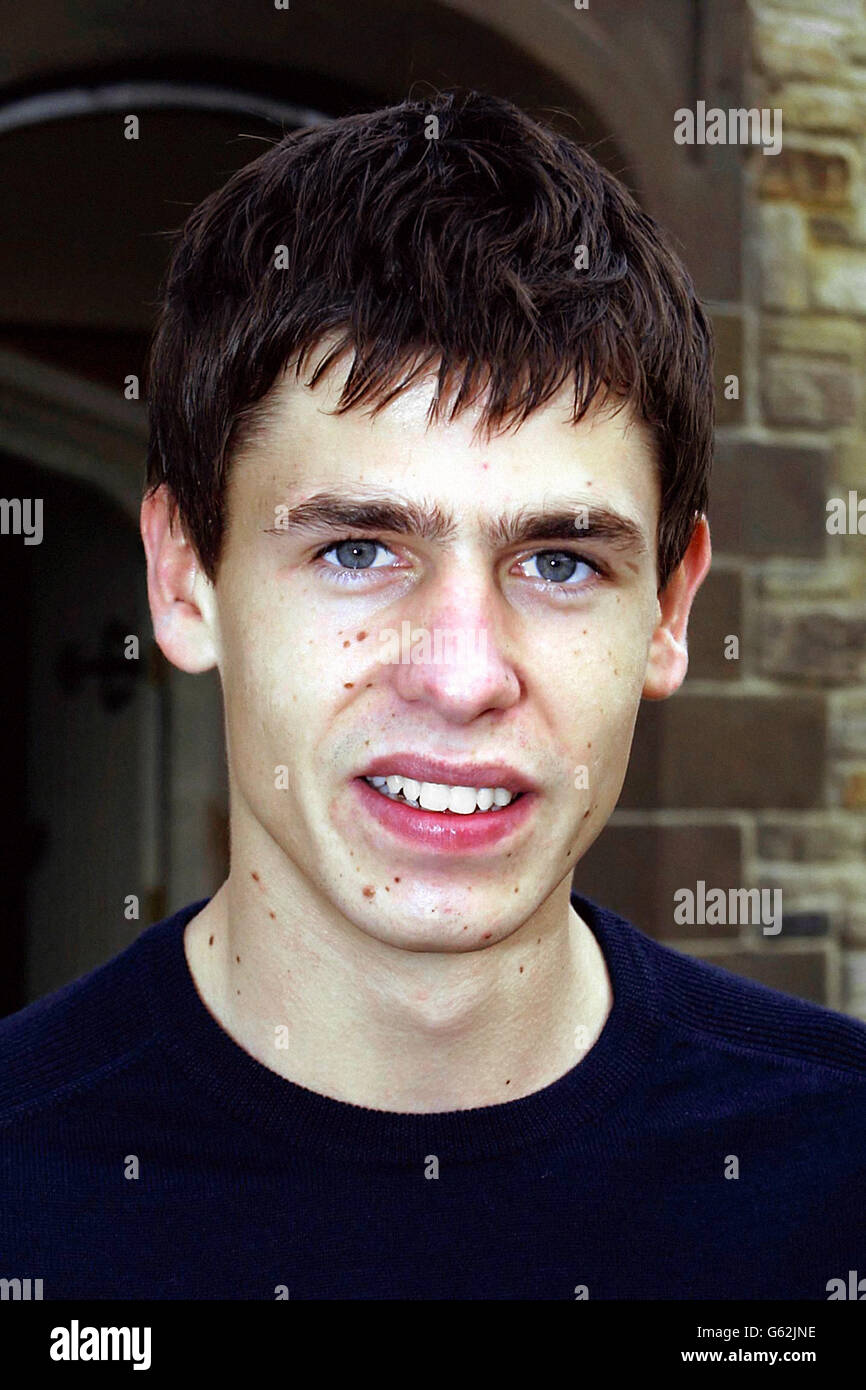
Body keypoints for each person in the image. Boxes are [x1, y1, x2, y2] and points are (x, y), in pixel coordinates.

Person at [2, 90, 864, 1301]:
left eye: (559, 562)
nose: (461, 673)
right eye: (357, 550)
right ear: (184, 577)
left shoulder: (835, 1175)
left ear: (668, 612)